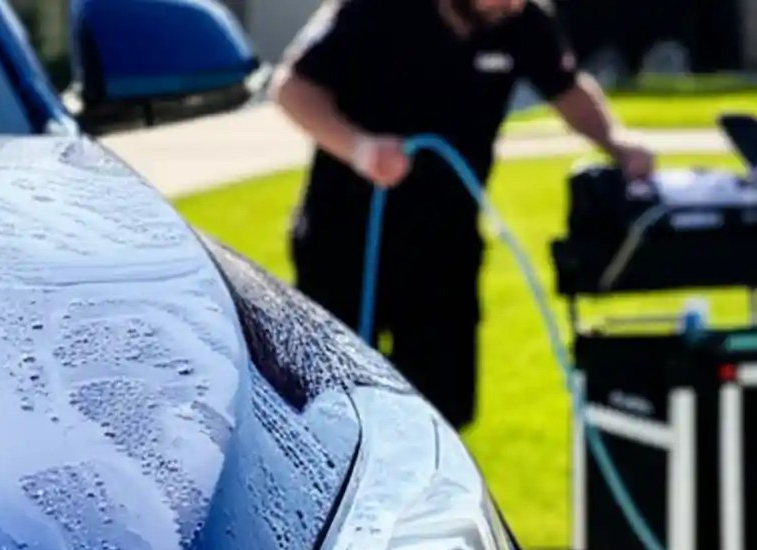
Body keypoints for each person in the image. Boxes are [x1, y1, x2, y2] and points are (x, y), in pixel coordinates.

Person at [269, 0, 656, 430]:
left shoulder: (523, 24)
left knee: (443, 409)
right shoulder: (371, 11)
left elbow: (567, 90)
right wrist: (359, 148)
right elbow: (292, 90)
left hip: (446, 243)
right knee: (334, 410)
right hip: (346, 239)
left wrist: (617, 144)